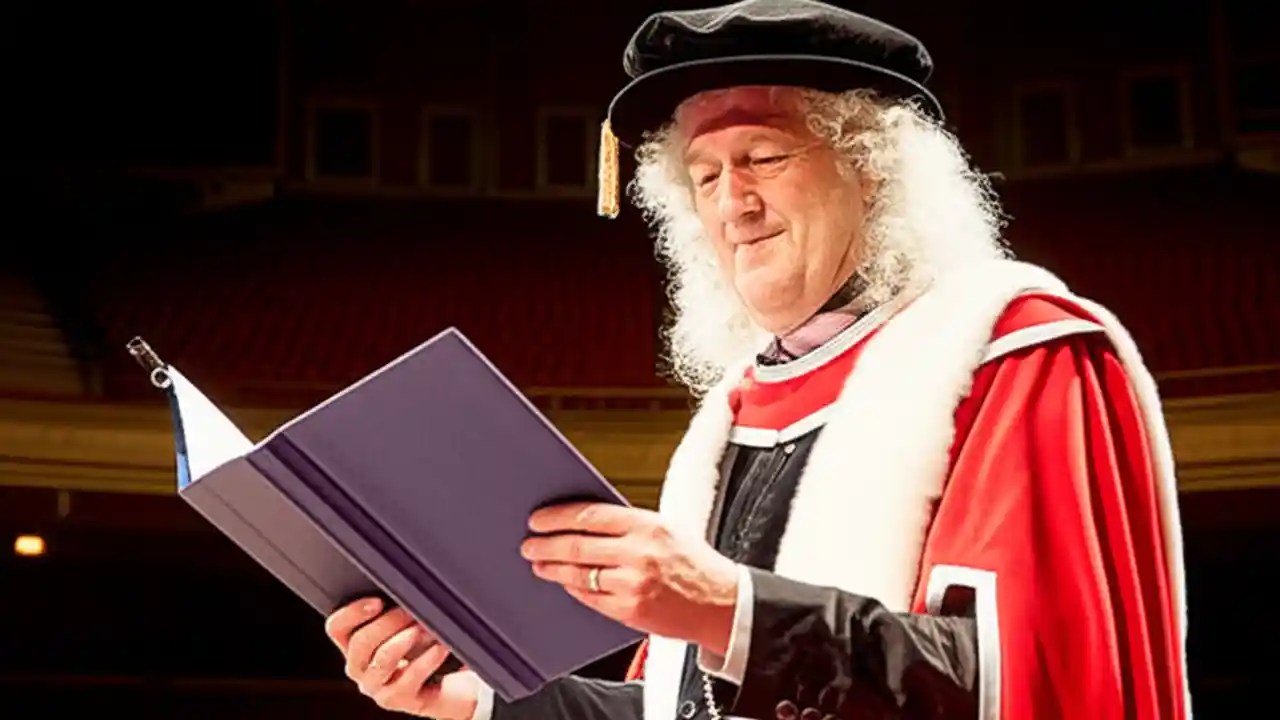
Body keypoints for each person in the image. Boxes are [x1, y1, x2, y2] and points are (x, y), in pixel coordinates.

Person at [323, 1, 1191, 718]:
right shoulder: (733, 415)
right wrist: (479, 702)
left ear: (872, 171)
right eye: (703, 176)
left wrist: (727, 609)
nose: (733, 203)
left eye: (765, 157)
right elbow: (691, 710)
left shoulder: (1010, 355)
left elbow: (1032, 687)